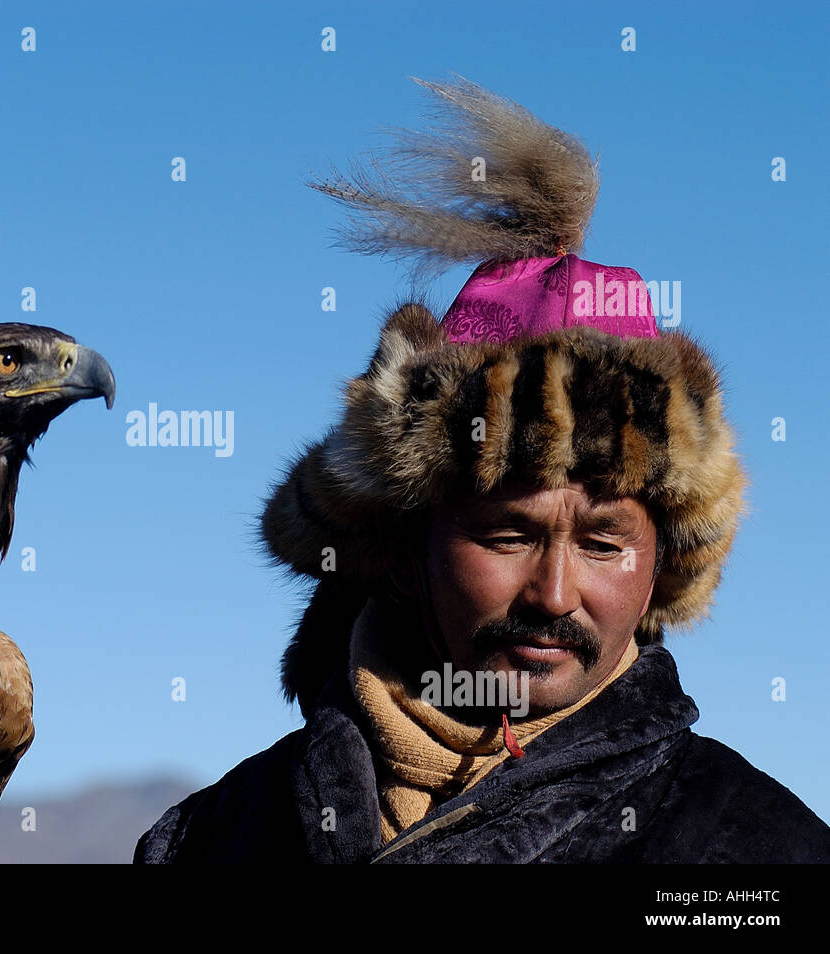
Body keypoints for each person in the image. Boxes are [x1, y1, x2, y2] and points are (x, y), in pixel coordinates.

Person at [135, 77, 830, 864]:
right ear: (399, 550)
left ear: (663, 565)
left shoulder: (758, 855)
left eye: (604, 544)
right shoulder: (209, 842)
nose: (556, 595)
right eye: (508, 534)